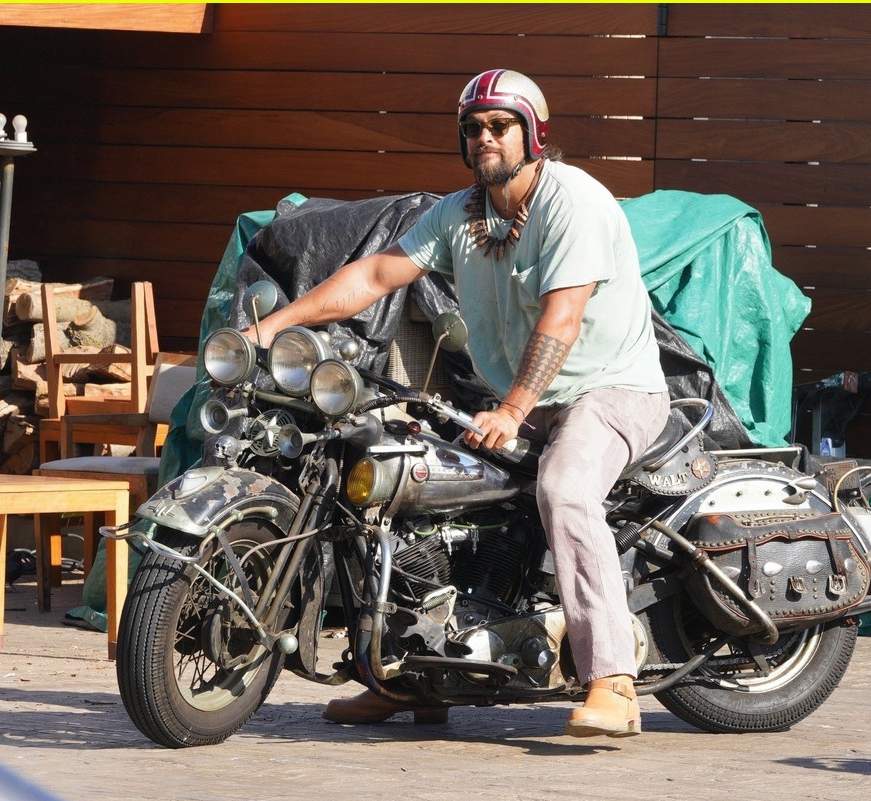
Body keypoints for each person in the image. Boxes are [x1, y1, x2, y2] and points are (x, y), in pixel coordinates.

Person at [244, 69, 669, 738]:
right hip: (522, 400)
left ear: (533, 133)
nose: (485, 137)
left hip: (611, 391)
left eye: (500, 125)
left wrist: (515, 407)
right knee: (404, 481)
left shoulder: (573, 204)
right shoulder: (460, 214)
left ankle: (612, 678)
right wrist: (272, 328)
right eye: (473, 128)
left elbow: (562, 318)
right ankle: (406, 674)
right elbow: (377, 274)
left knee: (565, 488)